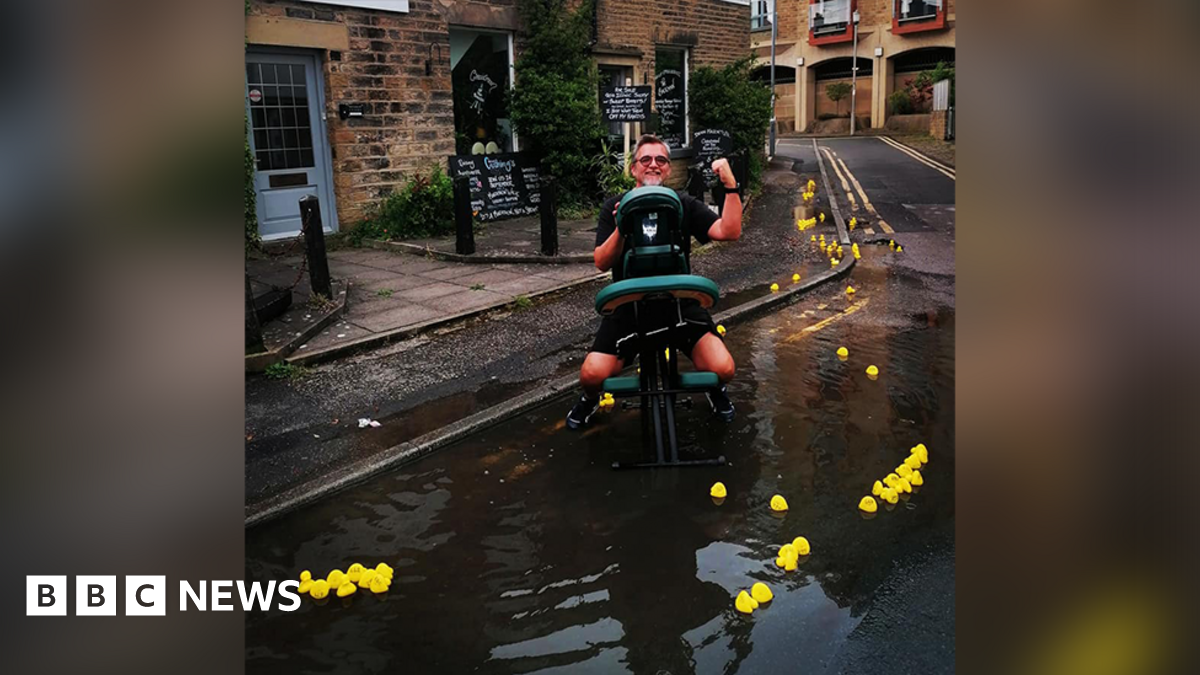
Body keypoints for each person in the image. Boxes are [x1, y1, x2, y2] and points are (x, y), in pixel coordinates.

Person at [566, 134, 743, 430]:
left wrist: (730, 184)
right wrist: (623, 224)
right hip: (629, 308)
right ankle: (590, 399)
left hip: (678, 305)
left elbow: (729, 231)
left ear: (669, 169)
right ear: (633, 169)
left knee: (722, 369)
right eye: (645, 159)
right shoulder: (614, 205)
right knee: (592, 376)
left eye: (660, 160)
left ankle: (714, 390)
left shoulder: (683, 204)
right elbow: (600, 261)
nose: (653, 165)